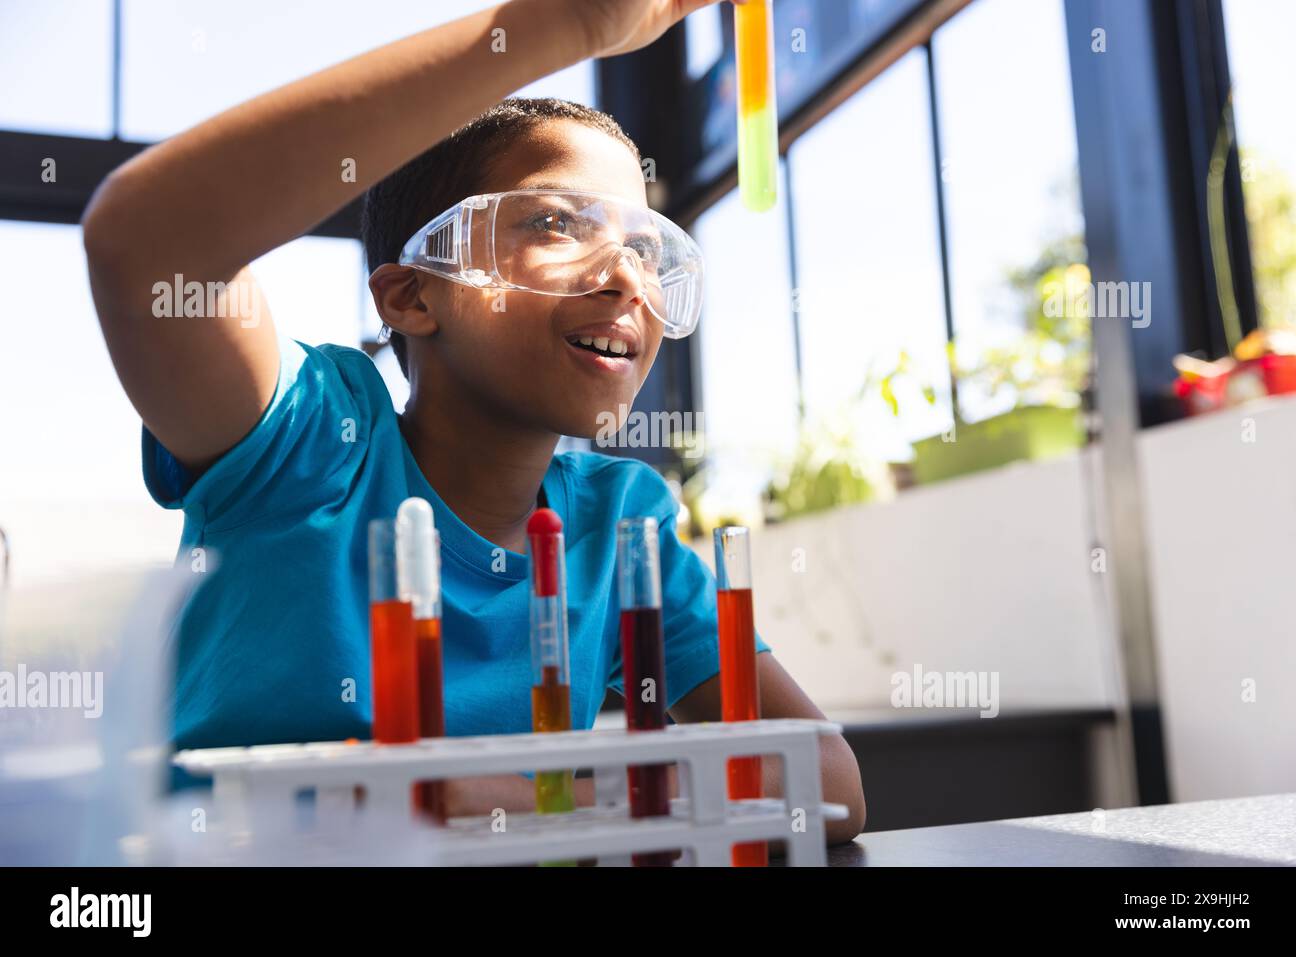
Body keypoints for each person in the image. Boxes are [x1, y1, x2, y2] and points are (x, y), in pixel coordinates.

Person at [83, 0, 865, 843]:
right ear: (413, 294)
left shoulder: (615, 526)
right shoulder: (310, 444)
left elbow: (829, 783)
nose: (626, 278)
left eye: (645, 247)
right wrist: (564, 26)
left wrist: (565, 805)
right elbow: (146, 239)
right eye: (557, 222)